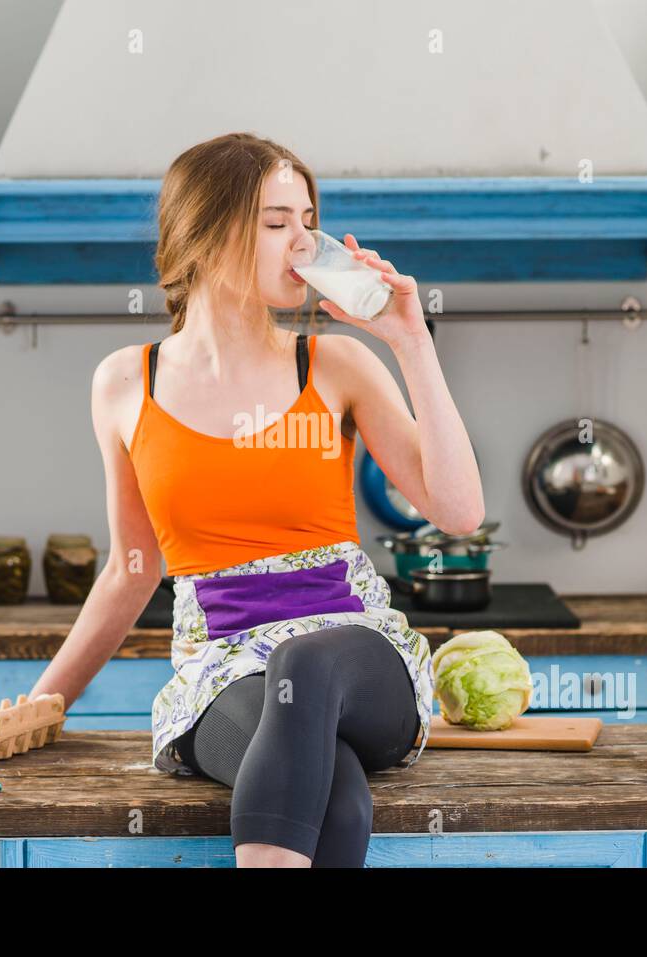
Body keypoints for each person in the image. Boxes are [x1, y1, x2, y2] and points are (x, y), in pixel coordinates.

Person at [30, 132, 483, 868]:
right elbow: (131, 569)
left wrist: (410, 342)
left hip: (356, 655)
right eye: (278, 223)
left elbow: (459, 511)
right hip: (222, 667)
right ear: (203, 237)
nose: (305, 243)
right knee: (335, 799)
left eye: (309, 220)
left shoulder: (335, 362)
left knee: (303, 664)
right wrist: (40, 706)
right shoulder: (124, 383)